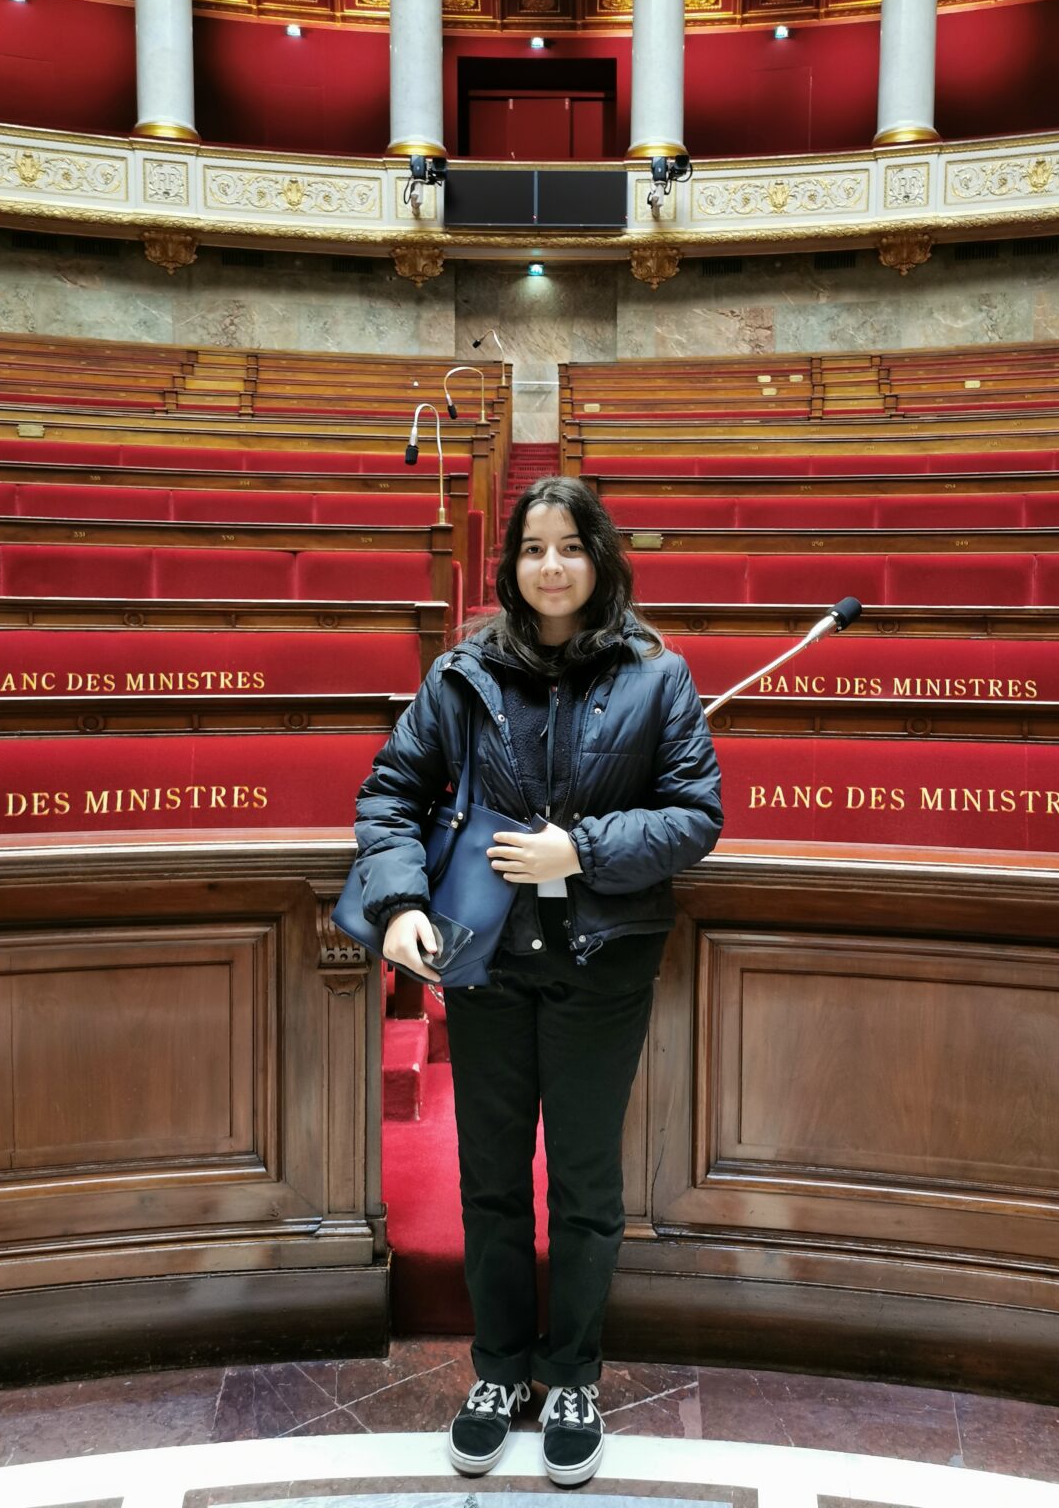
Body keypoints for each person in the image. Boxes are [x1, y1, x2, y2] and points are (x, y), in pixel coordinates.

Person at [353, 475, 723, 1488]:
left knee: (588, 1185)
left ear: (600, 556)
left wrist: (583, 851)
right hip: (484, 962)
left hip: (602, 964)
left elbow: (695, 816)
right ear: (510, 565)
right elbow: (390, 792)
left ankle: (571, 1376)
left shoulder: (661, 675)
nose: (550, 565)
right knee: (491, 1178)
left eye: (569, 545)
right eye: (531, 548)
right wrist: (400, 903)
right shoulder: (463, 674)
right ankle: (499, 1368)